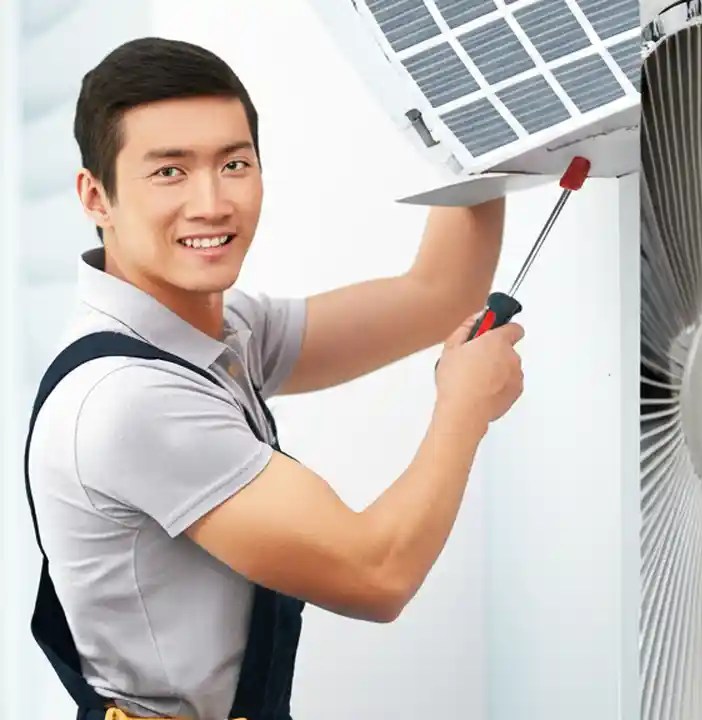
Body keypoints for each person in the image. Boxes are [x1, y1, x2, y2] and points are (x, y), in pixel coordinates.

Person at [23, 37, 526, 720]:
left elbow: (437, 295)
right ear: (96, 196)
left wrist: (475, 108)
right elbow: (376, 574)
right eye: (169, 172)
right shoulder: (132, 400)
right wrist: (464, 408)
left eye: (233, 164)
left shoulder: (220, 330)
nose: (212, 203)